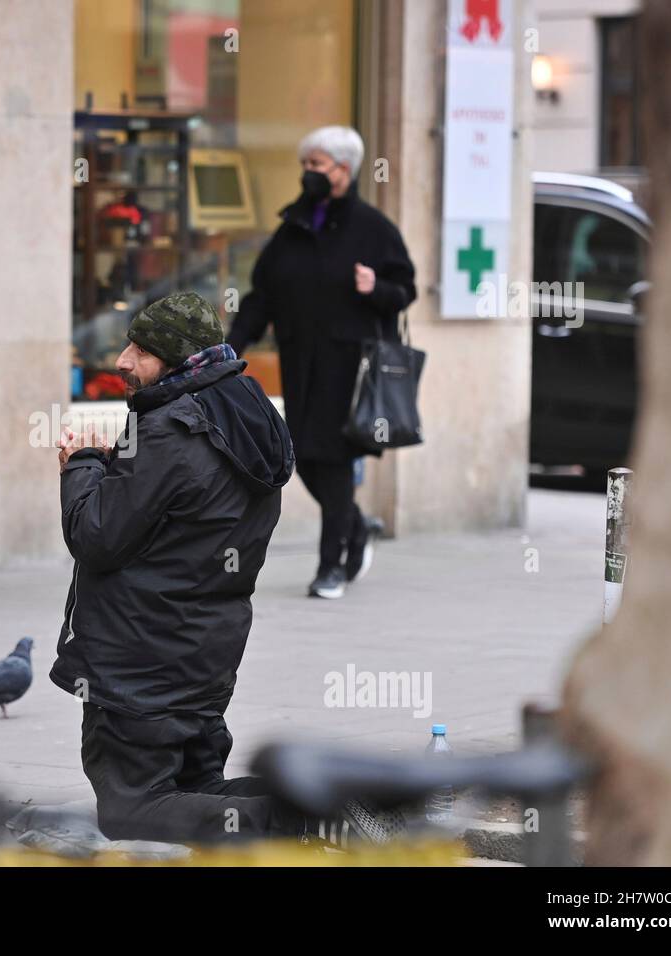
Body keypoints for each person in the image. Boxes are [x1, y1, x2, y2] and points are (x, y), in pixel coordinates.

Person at [50, 291, 306, 844]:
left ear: (173, 359)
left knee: (131, 811)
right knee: (198, 797)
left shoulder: (166, 431)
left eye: (139, 351)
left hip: (140, 662)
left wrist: (82, 466)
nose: (122, 361)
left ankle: (293, 816)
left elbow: (97, 538)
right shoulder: (248, 415)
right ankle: (317, 801)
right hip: (204, 655)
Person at [227, 125, 417, 600]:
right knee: (304, 459)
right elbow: (262, 295)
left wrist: (377, 289)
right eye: (305, 164)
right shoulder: (293, 227)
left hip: (348, 367)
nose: (308, 173)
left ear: (344, 170)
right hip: (300, 362)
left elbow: (404, 290)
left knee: (330, 461)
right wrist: (233, 346)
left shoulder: (374, 230)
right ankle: (356, 527)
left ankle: (331, 565)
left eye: (317, 165)